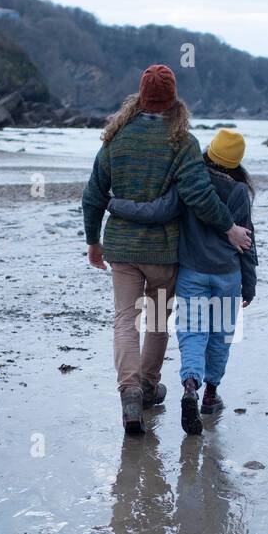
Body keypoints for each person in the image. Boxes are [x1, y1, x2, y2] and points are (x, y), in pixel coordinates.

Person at [81, 65, 252, 435]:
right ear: (174, 101)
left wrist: (93, 241)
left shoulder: (116, 139)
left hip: (123, 249)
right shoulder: (183, 143)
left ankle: (129, 390)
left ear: (140, 98)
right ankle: (147, 386)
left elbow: (93, 195)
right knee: (156, 319)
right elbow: (199, 195)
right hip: (163, 253)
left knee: (125, 320)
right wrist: (230, 228)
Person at [107, 129, 258, 435]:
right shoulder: (240, 192)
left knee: (192, 335)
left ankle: (190, 385)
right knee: (220, 337)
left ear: (210, 152)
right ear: (237, 162)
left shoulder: (192, 181)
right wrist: (250, 284)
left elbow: (158, 211)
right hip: (228, 276)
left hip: (191, 273)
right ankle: (210, 395)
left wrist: (114, 204)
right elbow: (248, 243)